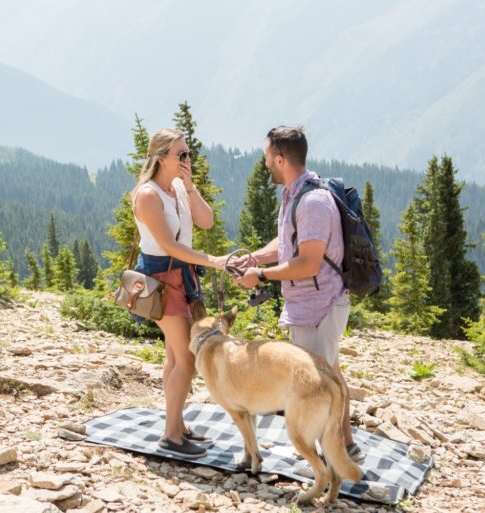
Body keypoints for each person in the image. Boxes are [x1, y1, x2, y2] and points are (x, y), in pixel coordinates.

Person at [234, 126, 364, 462]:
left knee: (318, 386)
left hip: (319, 308)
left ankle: (332, 458)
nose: (265, 164)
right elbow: (290, 242)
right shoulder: (295, 194)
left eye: (267, 158)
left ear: (280, 159)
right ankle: (346, 447)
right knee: (331, 375)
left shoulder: (312, 202)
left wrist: (260, 275)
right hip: (309, 306)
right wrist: (257, 258)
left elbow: (307, 262)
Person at [131, 128, 227, 458]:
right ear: (161, 158)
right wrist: (212, 261)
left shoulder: (176, 188)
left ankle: (178, 425)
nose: (187, 160)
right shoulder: (148, 195)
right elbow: (169, 245)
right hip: (160, 279)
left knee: (175, 356)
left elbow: (207, 222)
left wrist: (189, 185)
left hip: (181, 275)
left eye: (188, 154)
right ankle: (170, 436)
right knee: (187, 357)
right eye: (181, 155)